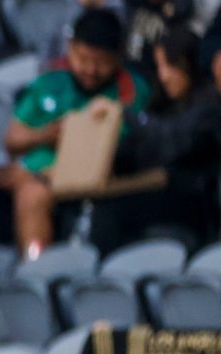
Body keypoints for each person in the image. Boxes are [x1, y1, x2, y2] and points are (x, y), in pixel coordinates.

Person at [3, 8, 152, 258]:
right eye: (83, 59)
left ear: (118, 55)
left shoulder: (130, 89)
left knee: (32, 195)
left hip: (81, 184)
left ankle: (34, 270)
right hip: (28, 174)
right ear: (70, 48)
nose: (91, 69)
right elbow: (12, 140)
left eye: (101, 61)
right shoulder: (50, 81)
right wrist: (45, 136)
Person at [91, 26, 221, 246]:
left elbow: (171, 141)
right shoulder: (167, 107)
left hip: (193, 207)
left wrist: (125, 114)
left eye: (169, 65)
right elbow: (142, 147)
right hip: (159, 199)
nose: (163, 76)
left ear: (186, 63)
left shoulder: (209, 108)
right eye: (159, 66)